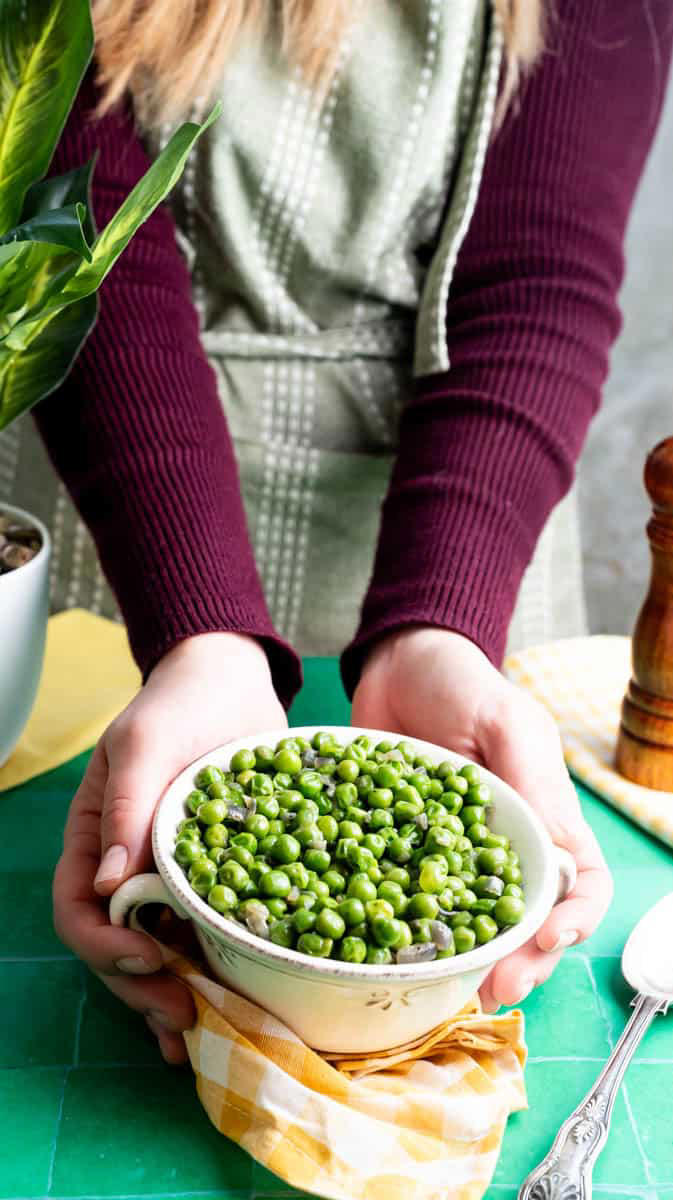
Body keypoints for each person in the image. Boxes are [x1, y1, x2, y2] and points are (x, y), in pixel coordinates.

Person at [28, 0, 671, 1064]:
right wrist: (200, 636)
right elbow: (82, 217)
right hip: (126, 501)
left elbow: (539, 274)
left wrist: (445, 632)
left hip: (470, 526)